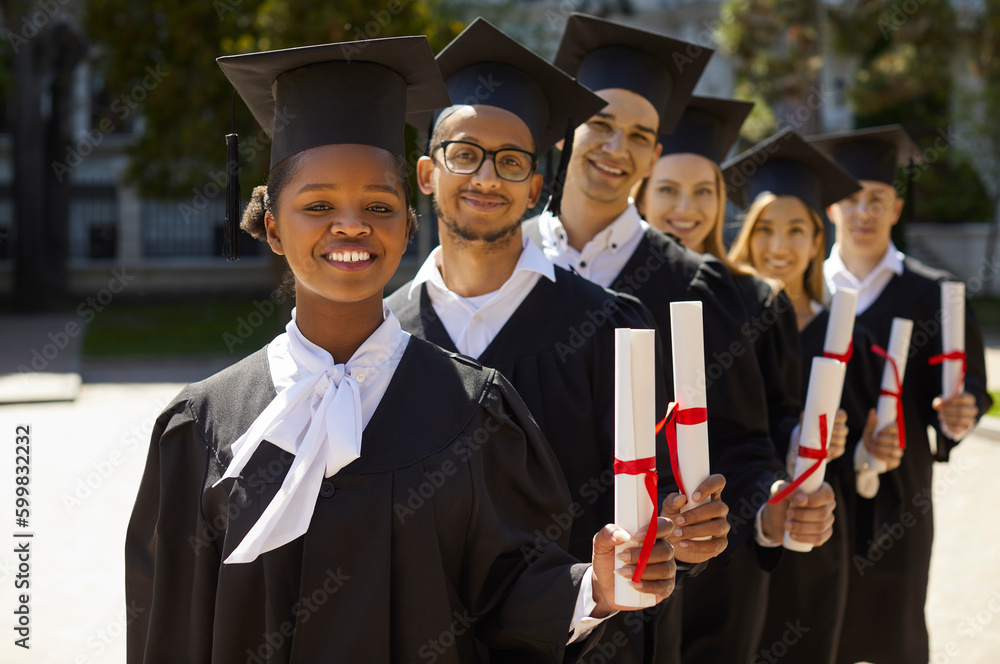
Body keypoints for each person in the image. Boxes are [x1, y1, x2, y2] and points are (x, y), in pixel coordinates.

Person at [125, 36, 680, 664]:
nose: (352, 225)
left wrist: (593, 589)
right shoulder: (201, 427)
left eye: (377, 206)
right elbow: (168, 624)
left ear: (407, 224)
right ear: (273, 226)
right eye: (317, 205)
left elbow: (505, 593)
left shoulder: (477, 410)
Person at [386, 20, 730, 663]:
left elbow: (661, 510)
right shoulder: (384, 338)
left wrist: (684, 531)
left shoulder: (608, 327)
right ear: (428, 174)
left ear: (535, 186)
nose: (487, 177)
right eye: (465, 154)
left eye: (511, 161)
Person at [522, 14, 837, 662]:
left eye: (639, 135)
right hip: (504, 592)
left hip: (641, 605)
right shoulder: (506, 264)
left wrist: (771, 507)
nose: (617, 147)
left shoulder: (694, 286)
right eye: (601, 125)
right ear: (566, 132)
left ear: (655, 152)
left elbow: (742, 447)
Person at [809, 124, 992, 664]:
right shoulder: (806, 294)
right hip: (820, 495)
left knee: (896, 629)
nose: (863, 211)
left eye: (878, 200)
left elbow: (968, 389)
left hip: (900, 497)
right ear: (831, 207)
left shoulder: (934, 294)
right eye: (851, 198)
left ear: (896, 208)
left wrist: (962, 414)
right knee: (818, 624)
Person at [725, 128, 898, 664]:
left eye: (797, 230)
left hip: (817, 530)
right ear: (746, 235)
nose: (779, 247)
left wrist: (867, 449)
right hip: (731, 535)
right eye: (766, 230)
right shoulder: (722, 330)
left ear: (818, 241)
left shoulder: (851, 339)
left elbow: (872, 464)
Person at [632, 95, 801, 461]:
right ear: (641, 196)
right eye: (667, 190)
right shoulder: (610, 289)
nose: (686, 208)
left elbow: (780, 418)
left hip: (728, 503)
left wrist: (810, 434)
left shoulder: (758, 299)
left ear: (721, 199)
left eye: (703, 192)